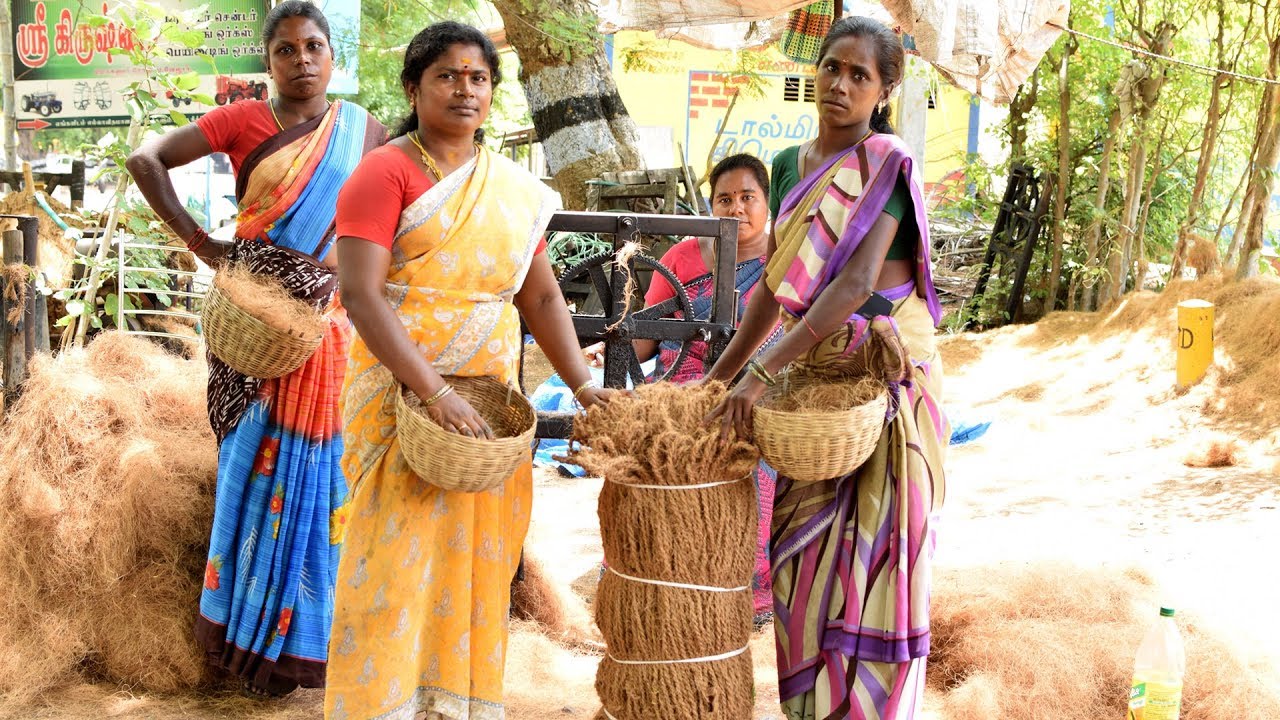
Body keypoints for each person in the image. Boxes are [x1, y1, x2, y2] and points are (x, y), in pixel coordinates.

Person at [324, 22, 618, 720]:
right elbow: (360, 293)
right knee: (389, 561)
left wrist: (582, 384)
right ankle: (378, 704)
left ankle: (452, 704)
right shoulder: (384, 171)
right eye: (447, 75)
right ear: (414, 88)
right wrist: (432, 393)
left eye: (478, 77)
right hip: (400, 400)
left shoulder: (511, 189)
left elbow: (540, 294)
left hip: (487, 411)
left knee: (476, 562)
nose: (465, 89)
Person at [126, 1, 385, 696]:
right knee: (250, 468)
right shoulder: (241, 121)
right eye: (286, 50)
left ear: (334, 57)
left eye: (314, 47)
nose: (302, 59)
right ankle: (244, 647)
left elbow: (394, 221)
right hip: (256, 332)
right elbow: (144, 159)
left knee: (323, 480)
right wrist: (200, 242)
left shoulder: (364, 133)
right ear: (267, 62)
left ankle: (301, 644)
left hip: (331, 335)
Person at [704, 16, 948, 720]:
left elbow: (851, 284)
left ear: (885, 88)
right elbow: (776, 290)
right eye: (831, 67)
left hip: (884, 378)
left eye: (859, 75)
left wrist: (762, 377)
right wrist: (720, 376)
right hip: (812, 382)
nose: (840, 84)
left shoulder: (887, 165)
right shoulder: (789, 165)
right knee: (798, 562)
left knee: (875, 561)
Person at [630, 152, 783, 622]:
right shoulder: (684, 256)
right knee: (659, 455)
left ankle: (748, 594)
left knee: (755, 461)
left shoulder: (785, 258)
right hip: (681, 388)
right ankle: (657, 580)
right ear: (710, 204)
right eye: (724, 198)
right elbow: (645, 339)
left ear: (768, 201)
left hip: (759, 391)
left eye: (747, 197)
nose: (736, 208)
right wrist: (615, 360)